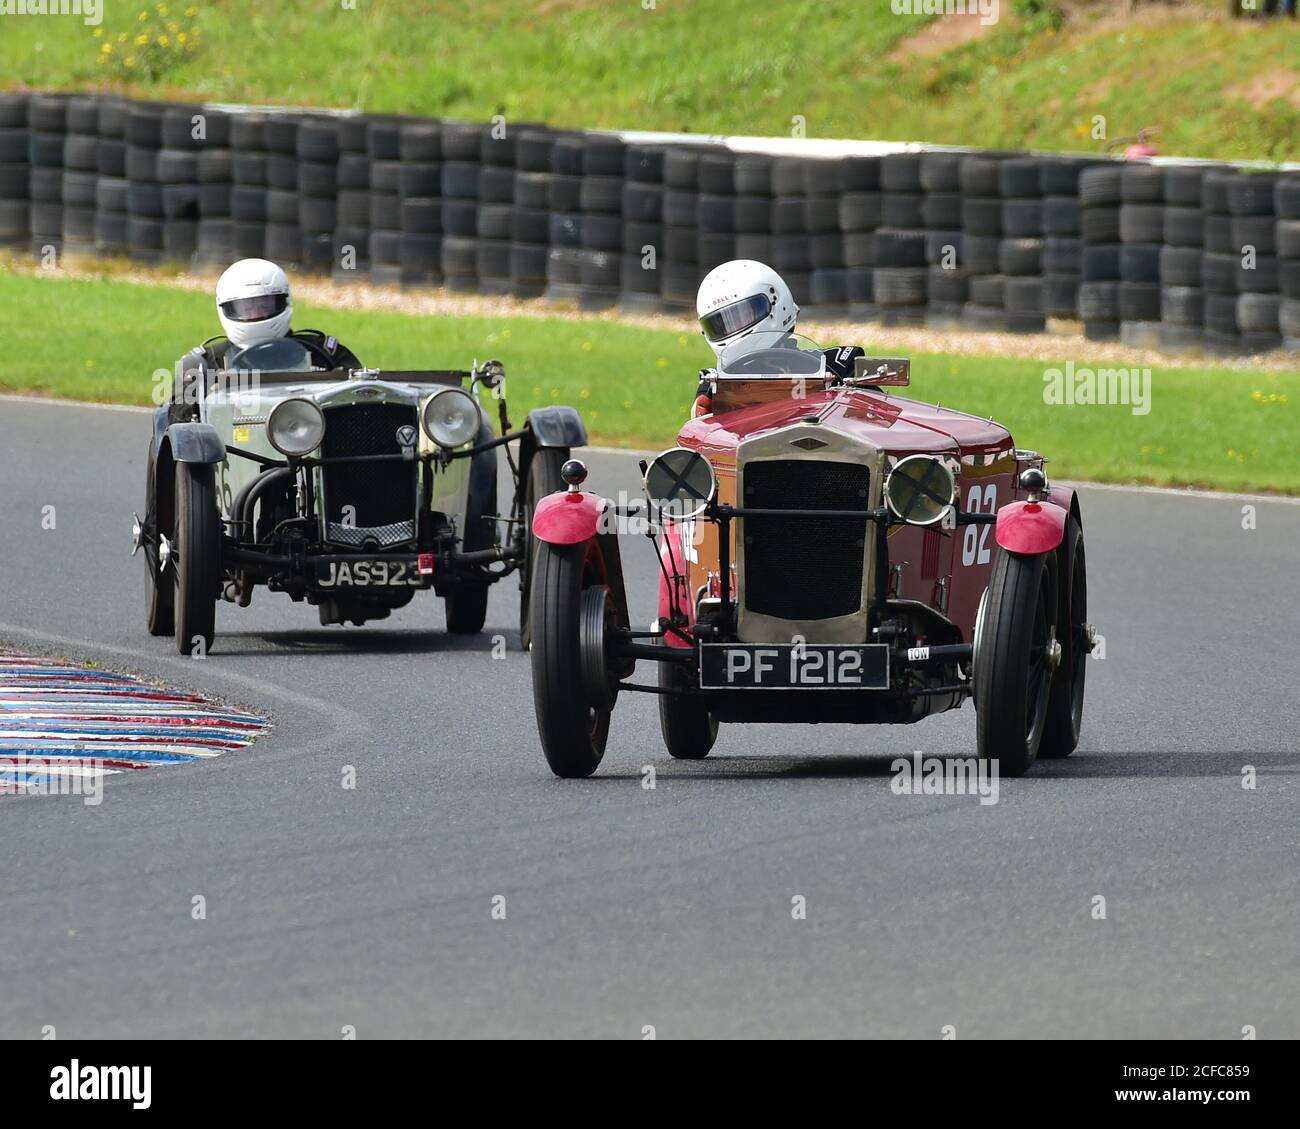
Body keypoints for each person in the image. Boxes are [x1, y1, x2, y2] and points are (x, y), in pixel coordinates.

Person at [169, 259, 362, 420]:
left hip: (316, 443)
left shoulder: (325, 353)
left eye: (263, 306)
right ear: (225, 309)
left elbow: (361, 403)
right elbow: (183, 433)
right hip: (232, 454)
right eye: (246, 308)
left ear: (283, 301)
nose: (255, 315)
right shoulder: (203, 364)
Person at [691, 259, 864, 416]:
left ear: (775, 301)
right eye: (720, 325)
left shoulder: (837, 367)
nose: (733, 329)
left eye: (742, 316)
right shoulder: (717, 389)